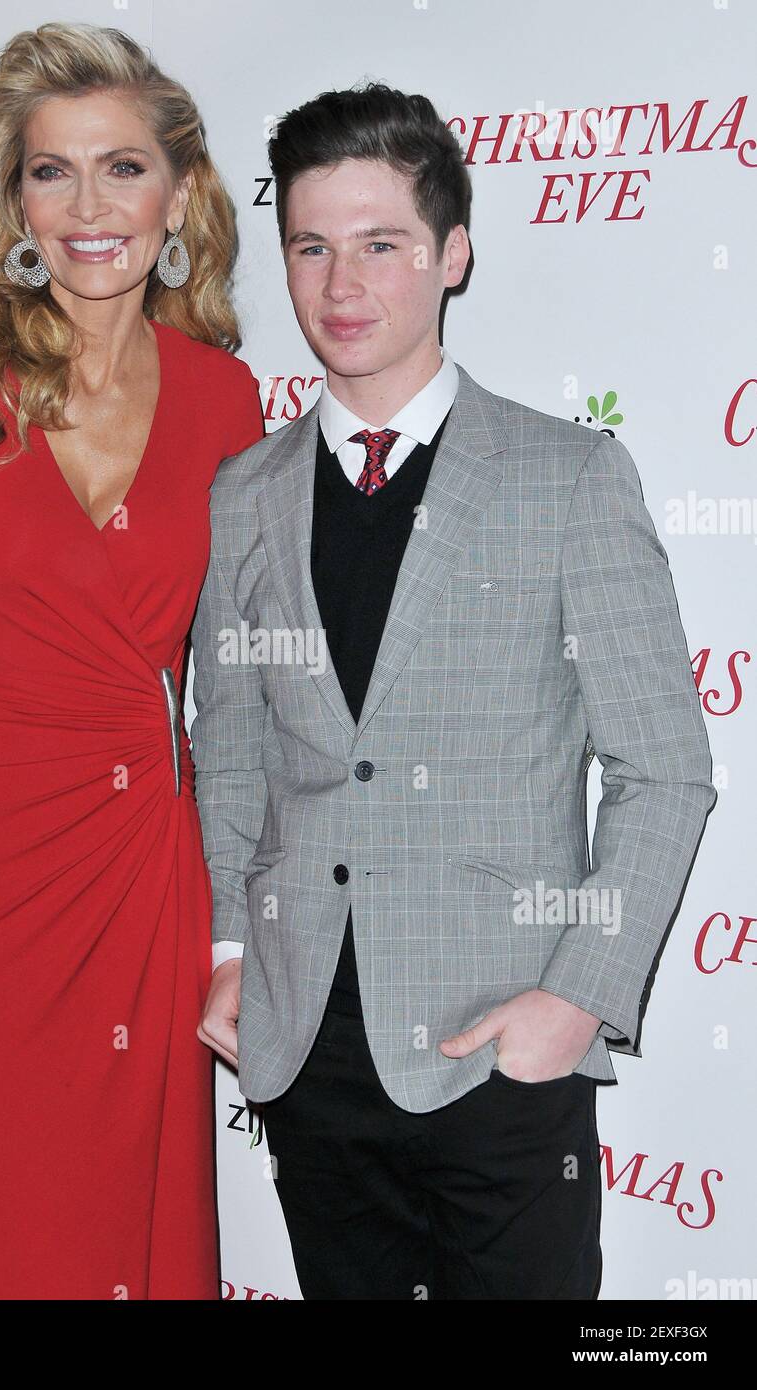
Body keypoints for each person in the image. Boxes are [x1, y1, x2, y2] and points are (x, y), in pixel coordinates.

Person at [192, 82, 716, 1300]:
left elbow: (663, 771)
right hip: (304, 1046)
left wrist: (576, 1001)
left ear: (452, 255)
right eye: (312, 248)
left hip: (501, 1047)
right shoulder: (243, 495)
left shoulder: (567, 475)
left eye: (382, 245)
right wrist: (228, 952)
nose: (342, 285)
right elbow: (228, 749)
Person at [0, 22, 263, 1300]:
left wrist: (239, 921)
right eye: (51, 172)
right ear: (12, 196)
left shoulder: (224, 396)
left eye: (123, 168)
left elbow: (240, 686)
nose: (89, 208)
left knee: (142, 1233)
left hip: (146, 870)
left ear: (179, 191)